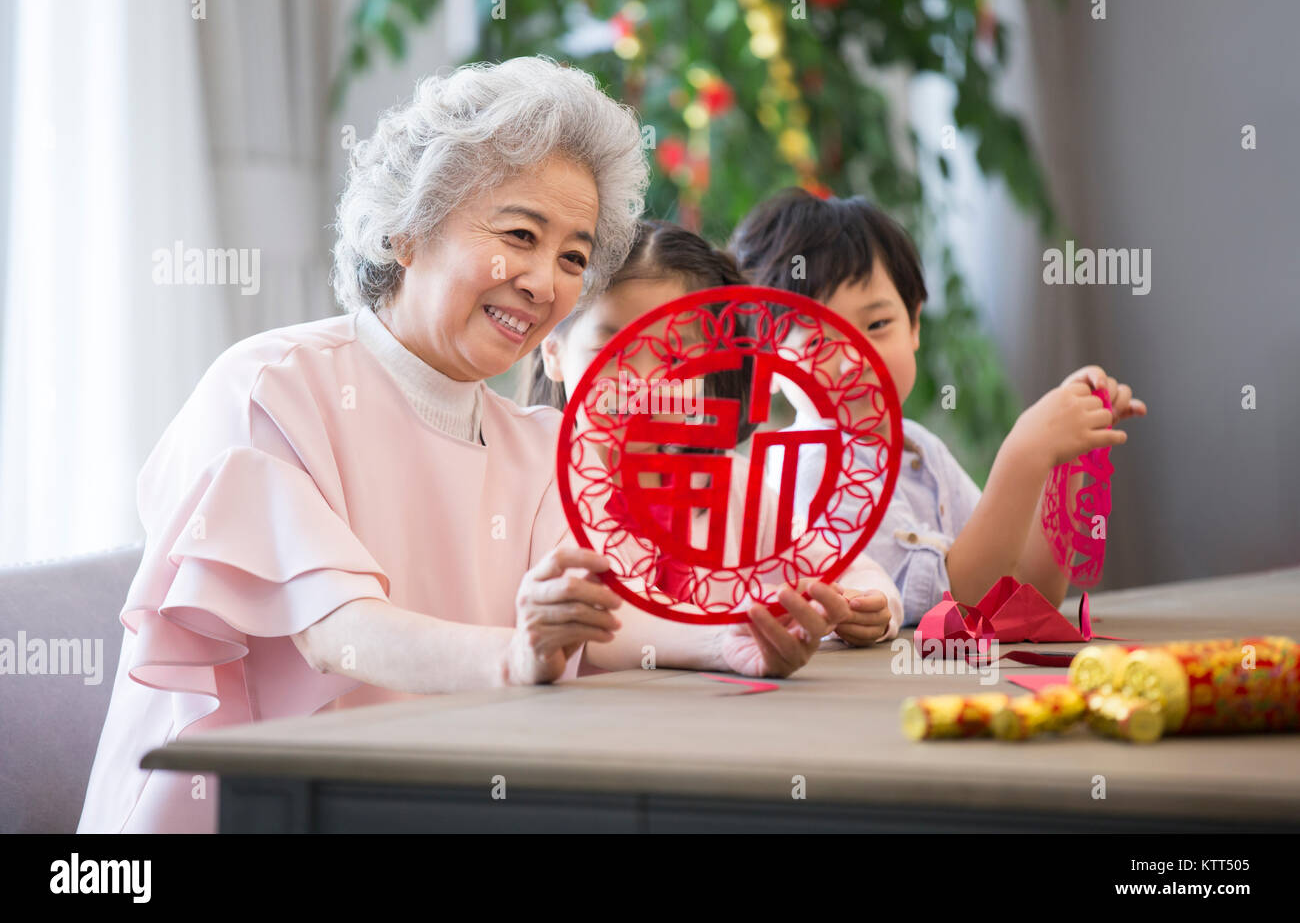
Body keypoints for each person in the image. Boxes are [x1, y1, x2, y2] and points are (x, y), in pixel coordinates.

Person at [79, 56, 659, 833]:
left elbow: (611, 625)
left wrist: (745, 638)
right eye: (519, 235)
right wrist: (516, 657)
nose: (543, 281)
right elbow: (337, 634)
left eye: (572, 258)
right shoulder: (268, 386)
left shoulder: (542, 446)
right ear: (407, 231)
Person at [729, 189, 1147, 626]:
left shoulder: (918, 449)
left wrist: (1068, 448)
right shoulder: (809, 468)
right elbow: (958, 605)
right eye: (816, 341)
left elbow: (1026, 594)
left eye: (876, 325)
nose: (855, 359)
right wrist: (1026, 451)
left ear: (914, 325)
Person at [527, 220, 902, 670]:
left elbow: (839, 565)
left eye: (676, 356)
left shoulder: (733, 484)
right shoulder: (540, 473)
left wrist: (868, 606)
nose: (646, 382)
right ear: (553, 351)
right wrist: (726, 641)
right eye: (616, 349)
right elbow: (600, 629)